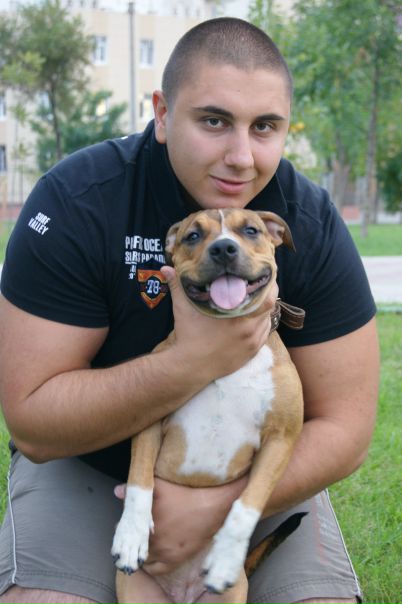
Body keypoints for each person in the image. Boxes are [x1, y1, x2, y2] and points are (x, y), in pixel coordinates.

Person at [0, 17, 378, 604]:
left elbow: (347, 429)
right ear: (162, 113)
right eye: (214, 121)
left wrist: (216, 510)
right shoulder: (79, 200)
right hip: (92, 466)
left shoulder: (307, 218)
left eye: (265, 126)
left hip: (256, 477)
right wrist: (194, 361)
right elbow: (33, 423)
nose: (241, 157)